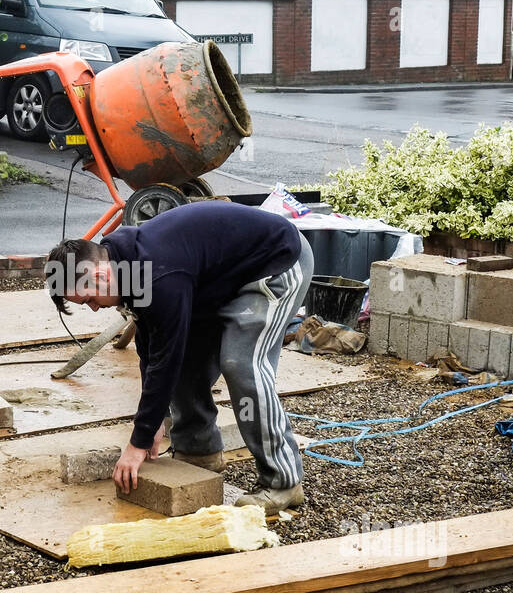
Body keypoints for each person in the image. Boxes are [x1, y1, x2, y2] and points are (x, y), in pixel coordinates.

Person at [45, 201, 315, 513]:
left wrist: (138, 443)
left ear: (102, 274)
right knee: (182, 360)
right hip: (221, 279)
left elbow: (165, 356)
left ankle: (284, 481)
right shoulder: (123, 261)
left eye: (90, 299)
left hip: (276, 263)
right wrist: (153, 420)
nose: (93, 307)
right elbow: (152, 347)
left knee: (241, 363)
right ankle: (198, 452)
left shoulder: (159, 275)